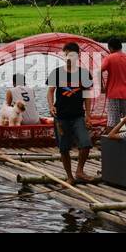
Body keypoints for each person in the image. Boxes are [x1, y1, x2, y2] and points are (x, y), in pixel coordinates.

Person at [47, 42, 95, 183]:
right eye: (66, 55)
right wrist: (51, 106)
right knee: (64, 147)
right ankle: (69, 176)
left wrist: (88, 115)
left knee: (86, 143)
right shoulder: (57, 72)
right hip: (61, 116)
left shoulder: (84, 73)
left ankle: (79, 171)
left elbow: (87, 95)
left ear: (77, 56)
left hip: (78, 115)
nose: (69, 58)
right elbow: (50, 92)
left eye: (72, 55)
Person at [100, 38, 126, 132]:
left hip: (113, 94)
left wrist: (102, 87)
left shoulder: (109, 58)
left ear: (110, 48)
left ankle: (110, 143)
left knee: (112, 121)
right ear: (121, 46)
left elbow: (98, 71)